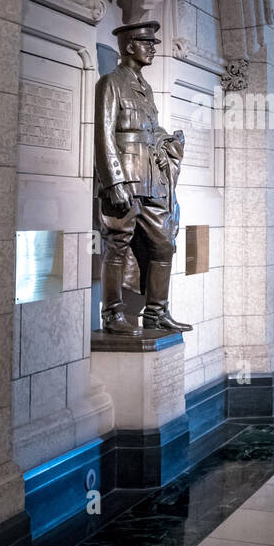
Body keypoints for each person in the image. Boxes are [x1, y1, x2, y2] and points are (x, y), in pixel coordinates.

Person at [94, 19, 192, 333]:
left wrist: (167, 140)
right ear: (129, 46)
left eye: (152, 44)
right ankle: (112, 315)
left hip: (152, 181)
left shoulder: (144, 88)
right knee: (117, 245)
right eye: (146, 43)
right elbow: (104, 135)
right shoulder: (111, 82)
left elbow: (149, 130)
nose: (151, 48)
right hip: (126, 179)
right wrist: (114, 181)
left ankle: (156, 313)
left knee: (164, 245)